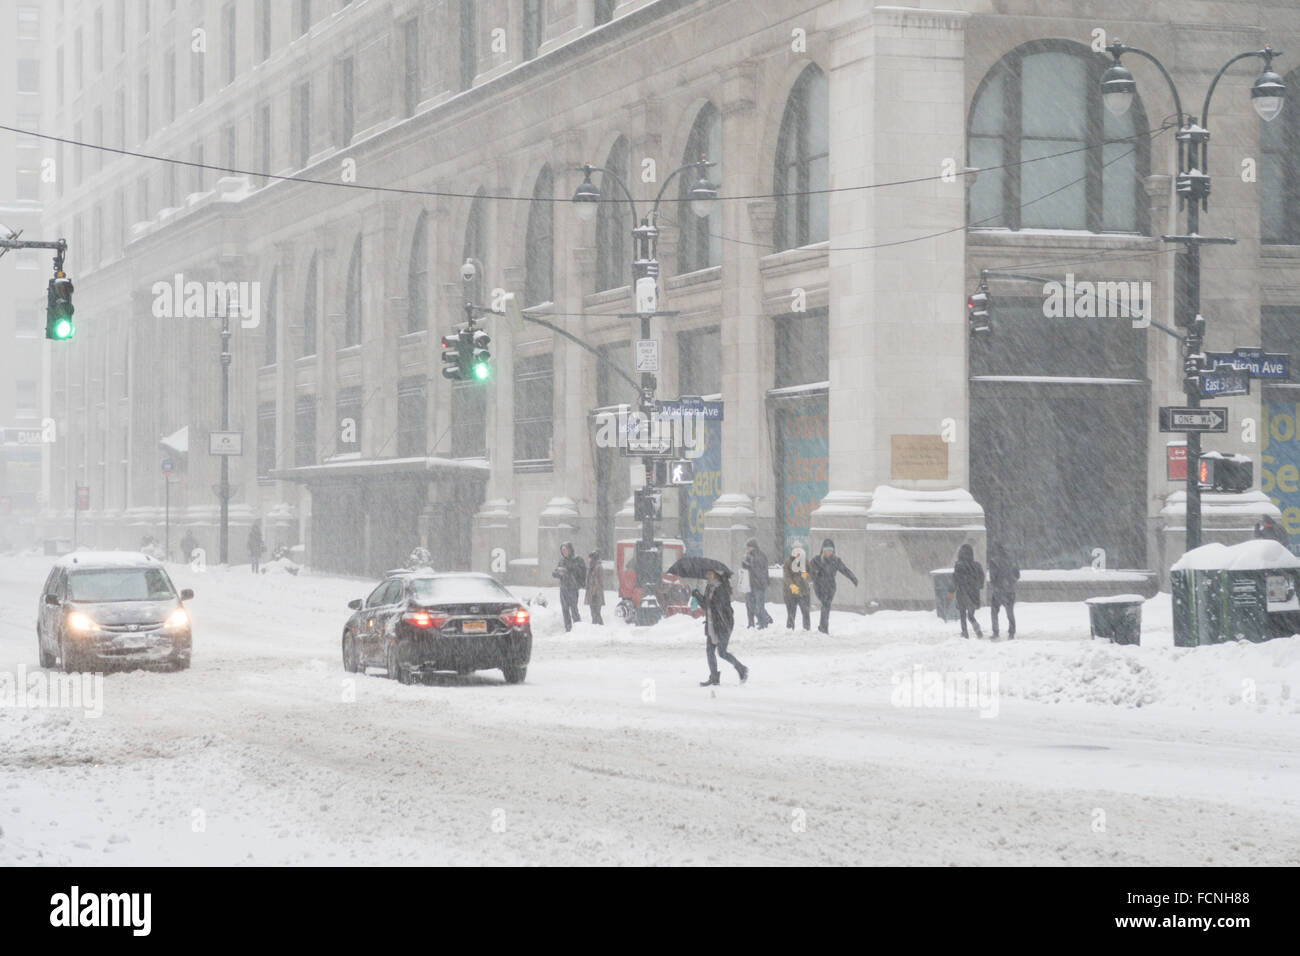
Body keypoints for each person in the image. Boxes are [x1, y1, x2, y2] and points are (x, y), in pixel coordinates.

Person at [692, 569, 748, 686]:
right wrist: (697, 595)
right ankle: (714, 677)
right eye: (708, 573)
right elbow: (707, 606)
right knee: (710, 650)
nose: (708, 575)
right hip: (712, 623)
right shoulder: (710, 587)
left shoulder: (721, 588)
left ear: (716, 575)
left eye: (711, 573)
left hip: (723, 623)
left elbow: (717, 605)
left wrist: (705, 600)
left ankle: (741, 668)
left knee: (722, 652)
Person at [809, 538, 858, 634]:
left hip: (831, 587)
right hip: (819, 586)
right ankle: (823, 627)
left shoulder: (836, 561)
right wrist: (814, 574)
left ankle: (823, 627)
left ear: (833, 551)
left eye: (830, 550)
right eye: (826, 550)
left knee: (826, 605)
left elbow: (844, 570)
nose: (828, 552)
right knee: (825, 605)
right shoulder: (816, 560)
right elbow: (809, 571)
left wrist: (853, 578)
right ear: (823, 550)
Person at [951, 543, 985, 639]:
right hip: (973, 594)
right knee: (970, 615)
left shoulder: (959, 565)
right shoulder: (977, 565)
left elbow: (955, 579)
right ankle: (978, 630)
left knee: (962, 614)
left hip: (962, 593)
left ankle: (965, 633)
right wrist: (977, 586)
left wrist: (951, 590)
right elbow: (981, 579)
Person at [987, 541, 1020, 640]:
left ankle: (996, 632)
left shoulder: (994, 561)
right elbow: (1017, 575)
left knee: (994, 611)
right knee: (1010, 612)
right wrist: (1010, 582)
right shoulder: (1013, 560)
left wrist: (996, 585)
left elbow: (993, 577)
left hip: (998, 591)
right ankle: (1011, 632)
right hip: (1010, 590)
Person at [552, 541, 586, 632]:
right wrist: (557, 573)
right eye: (562, 550)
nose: (564, 552)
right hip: (563, 588)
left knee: (574, 609)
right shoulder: (562, 561)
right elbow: (556, 572)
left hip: (572, 588)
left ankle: (578, 628)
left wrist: (570, 571)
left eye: (565, 550)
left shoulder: (577, 560)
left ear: (570, 549)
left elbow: (582, 573)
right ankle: (568, 628)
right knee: (565, 609)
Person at [741, 537, 773, 629]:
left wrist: (750, 566)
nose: (747, 549)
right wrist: (745, 565)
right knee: (750, 605)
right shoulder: (748, 556)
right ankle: (754, 622)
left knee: (759, 606)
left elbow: (759, 570)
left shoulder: (760, 556)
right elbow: (747, 569)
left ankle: (763, 623)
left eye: (749, 547)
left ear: (753, 547)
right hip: (750, 584)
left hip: (759, 584)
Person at [782, 542, 812, 631]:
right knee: (791, 613)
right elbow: (787, 576)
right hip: (790, 592)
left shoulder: (806, 562)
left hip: (804, 592)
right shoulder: (787, 562)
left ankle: (806, 629)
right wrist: (792, 586)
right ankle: (789, 630)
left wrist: (806, 575)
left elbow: (811, 574)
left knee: (806, 612)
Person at [585, 549, 605, 625]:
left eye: (590, 558)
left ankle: (599, 627)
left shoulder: (598, 567)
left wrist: (594, 592)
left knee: (596, 612)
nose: (588, 559)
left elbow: (599, 582)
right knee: (593, 612)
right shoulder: (591, 567)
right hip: (592, 593)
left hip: (596, 594)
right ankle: (595, 626)